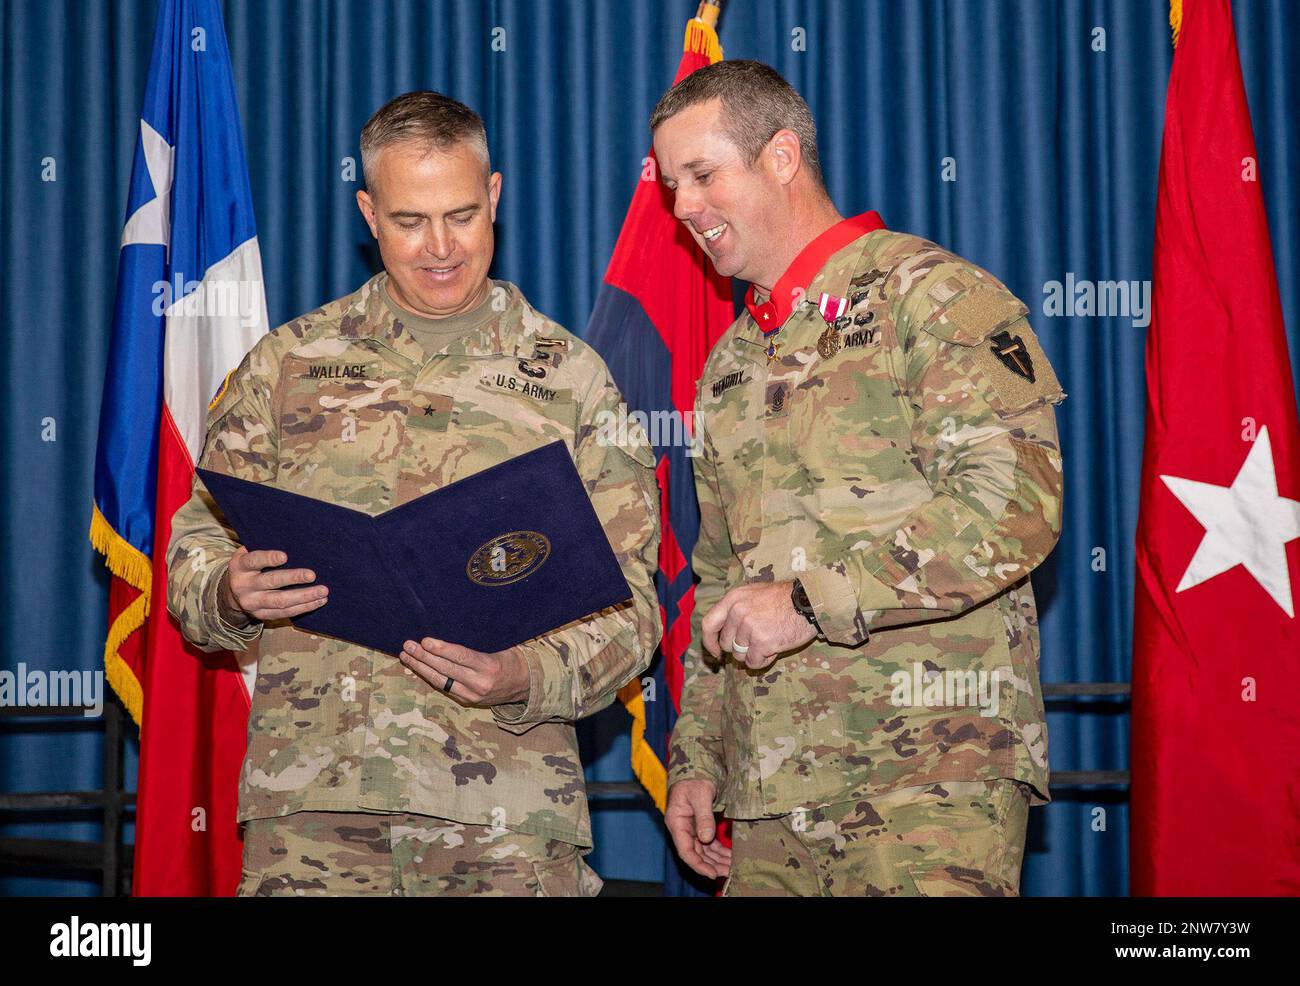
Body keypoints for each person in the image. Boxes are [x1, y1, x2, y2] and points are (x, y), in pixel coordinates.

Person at [166, 91, 661, 897]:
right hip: (313, 812)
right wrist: (227, 586)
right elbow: (193, 549)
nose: (440, 247)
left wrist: (524, 674)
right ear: (367, 211)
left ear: (496, 194)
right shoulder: (287, 365)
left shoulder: (571, 380)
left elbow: (633, 608)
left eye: (463, 215)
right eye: (408, 221)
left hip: (507, 814)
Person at [651, 60, 1065, 896]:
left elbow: (1016, 505)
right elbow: (722, 578)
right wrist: (700, 755)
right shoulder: (729, 363)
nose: (683, 206)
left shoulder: (931, 296)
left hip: (926, 777)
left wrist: (808, 603)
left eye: (702, 175)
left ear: (780, 157)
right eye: (671, 185)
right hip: (770, 791)